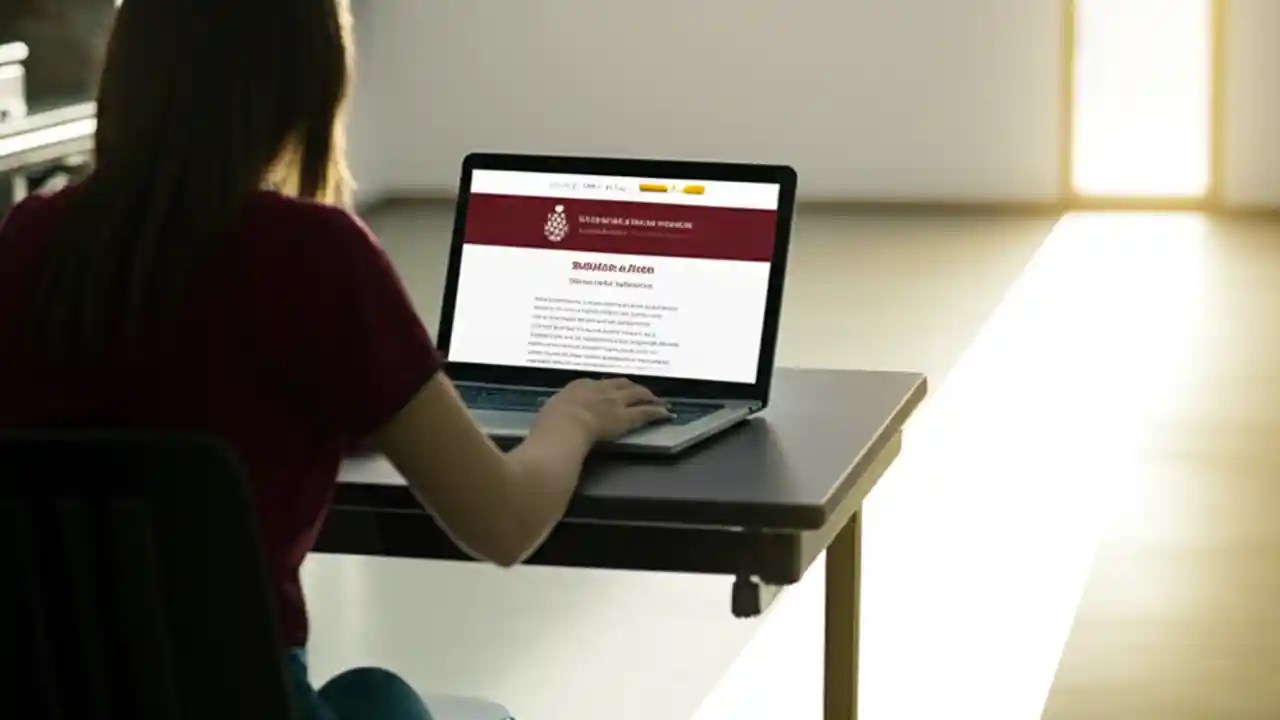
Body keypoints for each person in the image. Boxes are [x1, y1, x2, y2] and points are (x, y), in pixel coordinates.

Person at [0, 1, 671, 719]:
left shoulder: (28, 235)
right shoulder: (314, 255)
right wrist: (569, 418)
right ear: (310, 83)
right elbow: (503, 523)